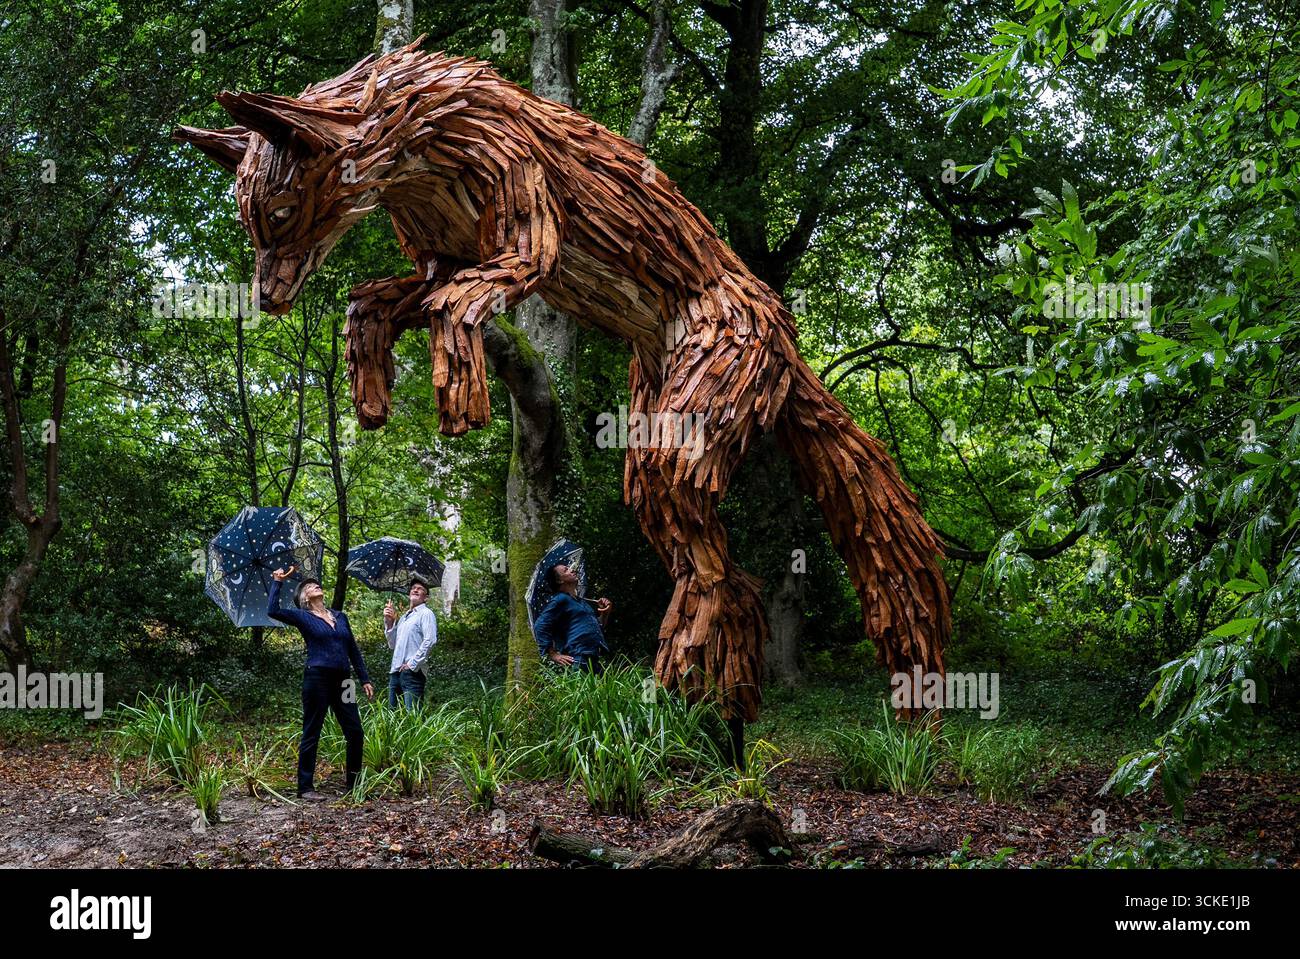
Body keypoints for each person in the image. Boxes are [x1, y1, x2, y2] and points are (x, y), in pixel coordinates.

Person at [269, 566, 374, 801]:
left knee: (355, 731)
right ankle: (305, 787)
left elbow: (353, 650)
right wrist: (277, 581)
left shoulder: (341, 617)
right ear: (305, 598)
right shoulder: (303, 617)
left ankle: (354, 785)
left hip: (345, 682)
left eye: (316, 584)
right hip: (318, 679)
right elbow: (273, 610)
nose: (315, 585)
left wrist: (364, 678)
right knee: (312, 730)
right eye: (309, 587)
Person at [533, 563, 612, 673]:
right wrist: (553, 654)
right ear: (560, 581)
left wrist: (605, 613)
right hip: (578, 658)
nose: (571, 570)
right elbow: (540, 625)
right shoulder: (560, 599)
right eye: (566, 570)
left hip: (594, 657)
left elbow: (598, 627)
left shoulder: (582, 602)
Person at [383, 576, 437, 708]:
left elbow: (430, 640)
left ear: (426, 598)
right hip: (395, 672)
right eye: (413, 588)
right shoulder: (403, 618)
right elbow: (393, 645)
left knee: (412, 718)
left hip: (413, 673)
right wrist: (389, 623)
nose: (416, 590)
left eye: (420, 589)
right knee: (392, 716)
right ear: (409, 594)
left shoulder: (426, 613)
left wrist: (412, 664)